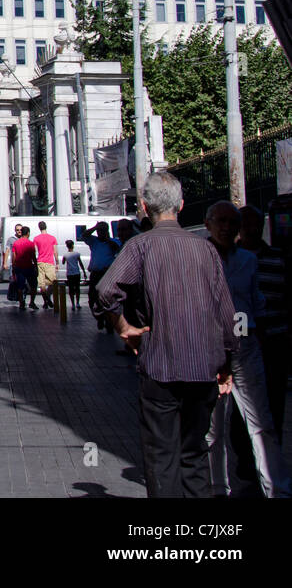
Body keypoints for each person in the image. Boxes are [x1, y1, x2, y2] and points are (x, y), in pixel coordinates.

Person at [96, 172, 239, 498]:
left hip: (161, 366)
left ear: (144, 207)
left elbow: (106, 291)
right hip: (203, 369)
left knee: (162, 457)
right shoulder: (206, 251)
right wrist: (227, 362)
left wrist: (123, 328)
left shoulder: (140, 246)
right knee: (194, 454)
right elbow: (227, 314)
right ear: (182, 205)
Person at [202, 201, 290, 499]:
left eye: (232, 222)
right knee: (214, 427)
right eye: (221, 222)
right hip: (210, 349)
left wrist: (260, 339)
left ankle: (276, 489)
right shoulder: (199, 257)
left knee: (261, 422)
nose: (227, 228)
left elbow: (256, 303)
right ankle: (217, 488)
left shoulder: (248, 261)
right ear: (208, 224)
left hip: (245, 345)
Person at [238, 205, 289, 440]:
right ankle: (246, 460)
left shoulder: (278, 259)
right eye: (246, 224)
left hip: (274, 342)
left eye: (255, 224)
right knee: (242, 405)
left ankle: (271, 448)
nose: (251, 229)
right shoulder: (227, 259)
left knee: (273, 400)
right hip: (240, 343)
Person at [84, 222, 120, 330]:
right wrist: (95, 227)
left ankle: (109, 322)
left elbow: (116, 248)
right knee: (93, 298)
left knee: (108, 299)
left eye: (103, 230)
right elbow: (84, 235)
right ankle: (99, 318)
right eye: (99, 231)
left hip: (107, 274)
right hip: (95, 274)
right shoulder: (94, 241)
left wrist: (107, 239)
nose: (100, 233)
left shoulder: (113, 242)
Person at [33, 221, 59, 311]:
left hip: (40, 262)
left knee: (42, 284)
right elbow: (55, 252)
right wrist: (57, 262)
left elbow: (34, 251)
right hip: (49, 262)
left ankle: (45, 301)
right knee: (53, 282)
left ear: (39, 228)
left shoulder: (36, 238)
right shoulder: (53, 238)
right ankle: (48, 298)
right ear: (46, 227)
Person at [10, 227, 37, 310]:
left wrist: (13, 265)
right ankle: (32, 302)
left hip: (19, 267)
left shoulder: (16, 243)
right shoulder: (31, 243)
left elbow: (14, 256)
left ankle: (21, 303)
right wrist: (36, 265)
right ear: (28, 233)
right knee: (33, 286)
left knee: (20, 286)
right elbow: (33, 256)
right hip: (28, 267)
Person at [63, 240, 85, 309]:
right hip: (76, 273)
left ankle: (72, 304)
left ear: (67, 246)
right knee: (77, 288)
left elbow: (63, 262)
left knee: (71, 289)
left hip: (69, 273)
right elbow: (80, 263)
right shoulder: (77, 254)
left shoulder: (65, 255)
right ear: (73, 245)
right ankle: (77, 303)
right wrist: (84, 272)